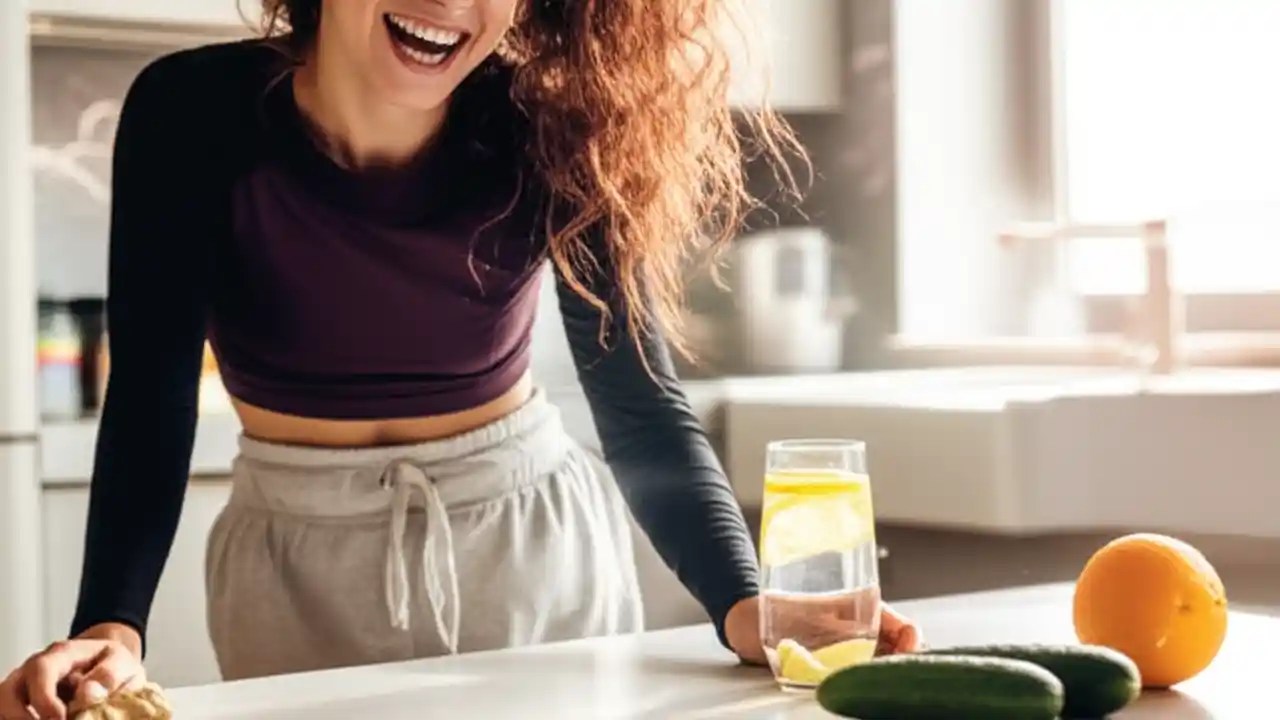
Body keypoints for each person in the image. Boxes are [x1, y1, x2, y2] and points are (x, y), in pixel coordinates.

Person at [1, 0, 920, 716]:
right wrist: (107, 627)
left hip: (526, 546)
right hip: (289, 560)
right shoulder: (187, 110)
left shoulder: (554, 125)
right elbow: (151, 400)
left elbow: (640, 405)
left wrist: (745, 602)